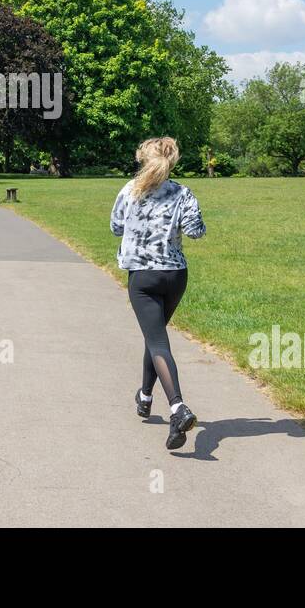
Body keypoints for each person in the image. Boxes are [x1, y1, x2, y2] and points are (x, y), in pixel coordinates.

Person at [110, 137, 206, 450]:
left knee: (156, 340)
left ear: (143, 159)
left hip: (143, 276)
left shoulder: (130, 190)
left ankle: (178, 407)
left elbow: (115, 227)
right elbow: (196, 231)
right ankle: (145, 396)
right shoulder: (182, 192)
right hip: (175, 275)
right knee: (156, 337)